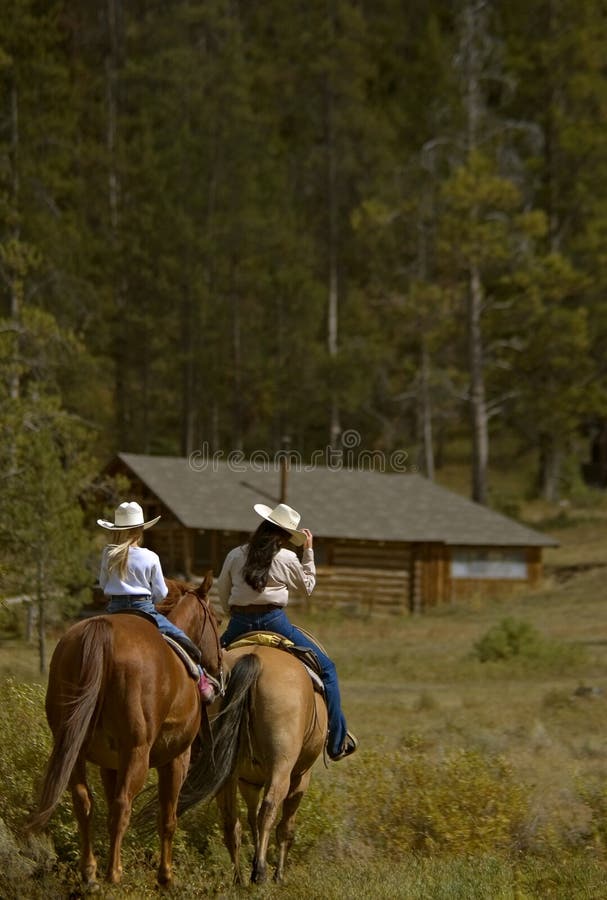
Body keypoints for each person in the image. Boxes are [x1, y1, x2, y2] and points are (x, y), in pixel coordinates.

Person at [215, 501, 358, 761]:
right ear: (284, 536)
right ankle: (336, 741)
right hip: (275, 621)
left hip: (238, 623)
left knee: (204, 669)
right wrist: (308, 552)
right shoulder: (287, 557)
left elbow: (223, 591)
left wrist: (232, 613)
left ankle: (196, 740)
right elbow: (307, 587)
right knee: (327, 669)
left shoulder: (235, 554)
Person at [97, 500, 214, 702]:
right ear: (140, 530)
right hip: (144, 610)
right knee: (184, 642)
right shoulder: (150, 557)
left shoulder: (109, 554)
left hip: (114, 609)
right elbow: (161, 592)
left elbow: (102, 584)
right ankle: (202, 682)